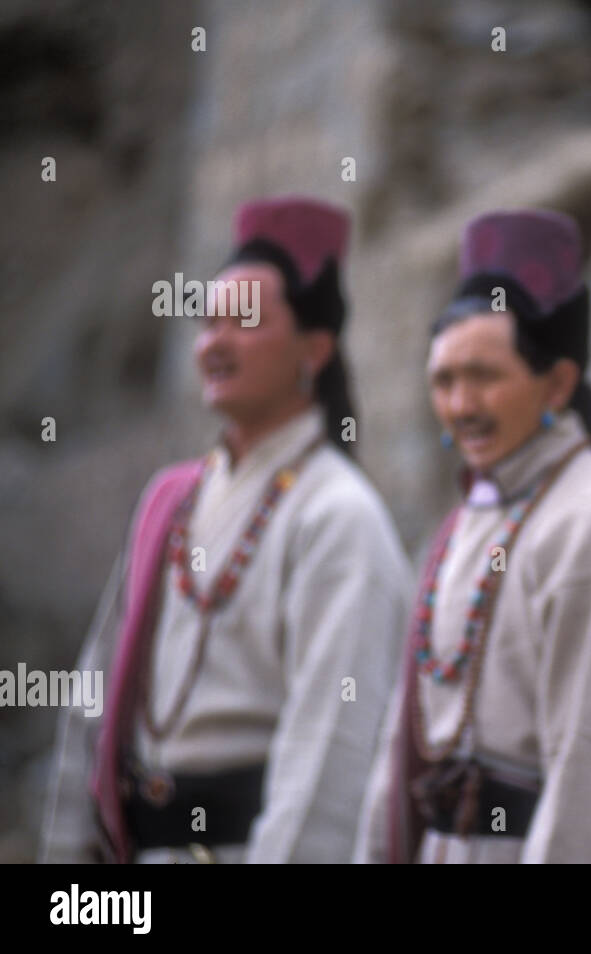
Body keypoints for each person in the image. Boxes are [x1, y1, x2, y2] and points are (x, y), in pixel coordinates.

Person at [41, 195, 412, 863]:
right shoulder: (172, 503)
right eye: (207, 323)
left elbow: (329, 755)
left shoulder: (339, 517)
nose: (214, 342)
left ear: (315, 348)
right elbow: (92, 704)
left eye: (243, 322)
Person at [355, 209, 591, 864]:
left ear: (556, 382)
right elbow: (399, 754)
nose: (462, 406)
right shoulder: (464, 523)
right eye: (445, 380)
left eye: (486, 377)